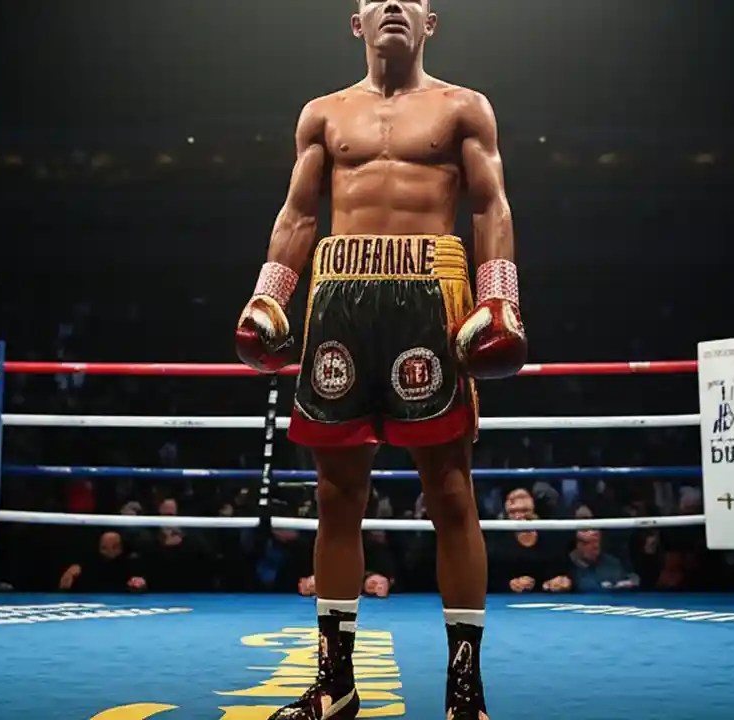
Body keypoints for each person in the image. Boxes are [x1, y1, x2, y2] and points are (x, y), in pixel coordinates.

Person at [234, 2, 524, 717]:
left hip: (429, 293)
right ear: (356, 21)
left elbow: (490, 205)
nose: (393, 3)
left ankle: (464, 693)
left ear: (431, 20)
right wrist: (269, 296)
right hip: (339, 296)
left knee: (450, 491)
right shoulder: (323, 113)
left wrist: (499, 298)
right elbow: (299, 214)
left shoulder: (464, 107)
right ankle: (335, 685)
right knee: (336, 496)